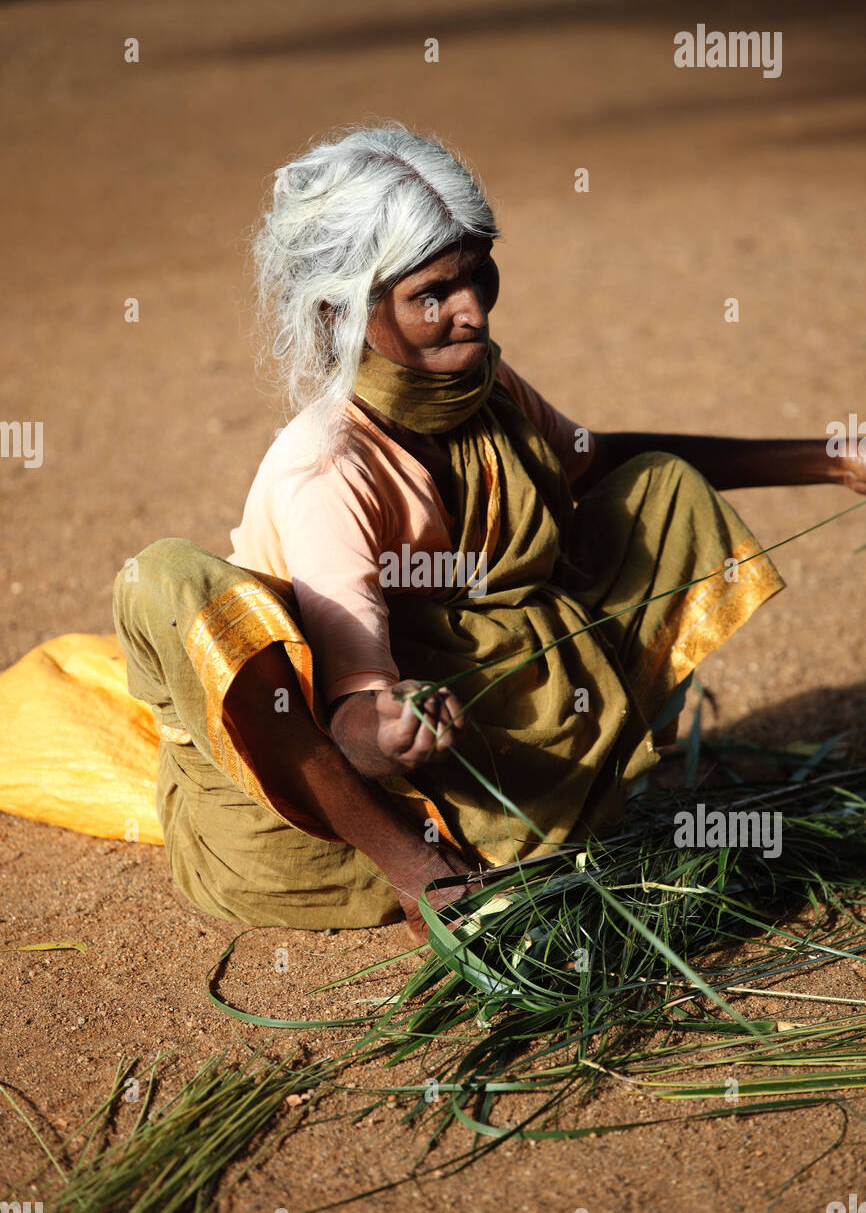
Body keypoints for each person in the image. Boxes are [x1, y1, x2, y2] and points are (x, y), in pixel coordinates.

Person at [112, 122, 865, 943]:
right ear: (346, 310)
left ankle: (570, 791)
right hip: (346, 789)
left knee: (662, 490)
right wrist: (394, 728)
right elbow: (349, 721)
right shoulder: (327, 470)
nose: (471, 312)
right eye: (433, 294)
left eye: (479, 276)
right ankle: (425, 870)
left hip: (482, 702)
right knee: (167, 574)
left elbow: (598, 458)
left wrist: (829, 460)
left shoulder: (486, 389)